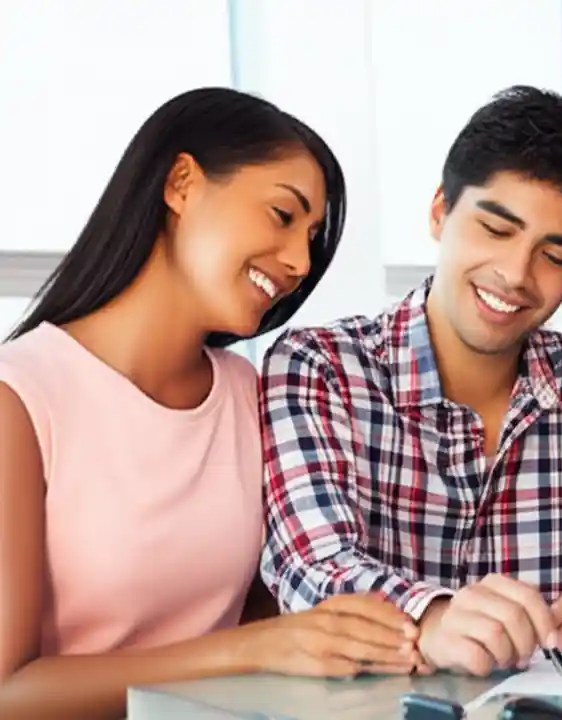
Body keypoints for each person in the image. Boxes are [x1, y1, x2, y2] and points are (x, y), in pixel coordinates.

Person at [259, 85, 562, 679]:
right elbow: (310, 569)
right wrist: (434, 620)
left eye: (555, 256)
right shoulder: (320, 368)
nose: (515, 274)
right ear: (440, 212)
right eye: (496, 230)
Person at [0, 88, 426, 720]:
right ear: (180, 183)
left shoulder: (254, 396)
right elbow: (9, 692)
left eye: (311, 238)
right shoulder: (21, 401)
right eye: (283, 216)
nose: (299, 263)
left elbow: (270, 609)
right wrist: (248, 650)